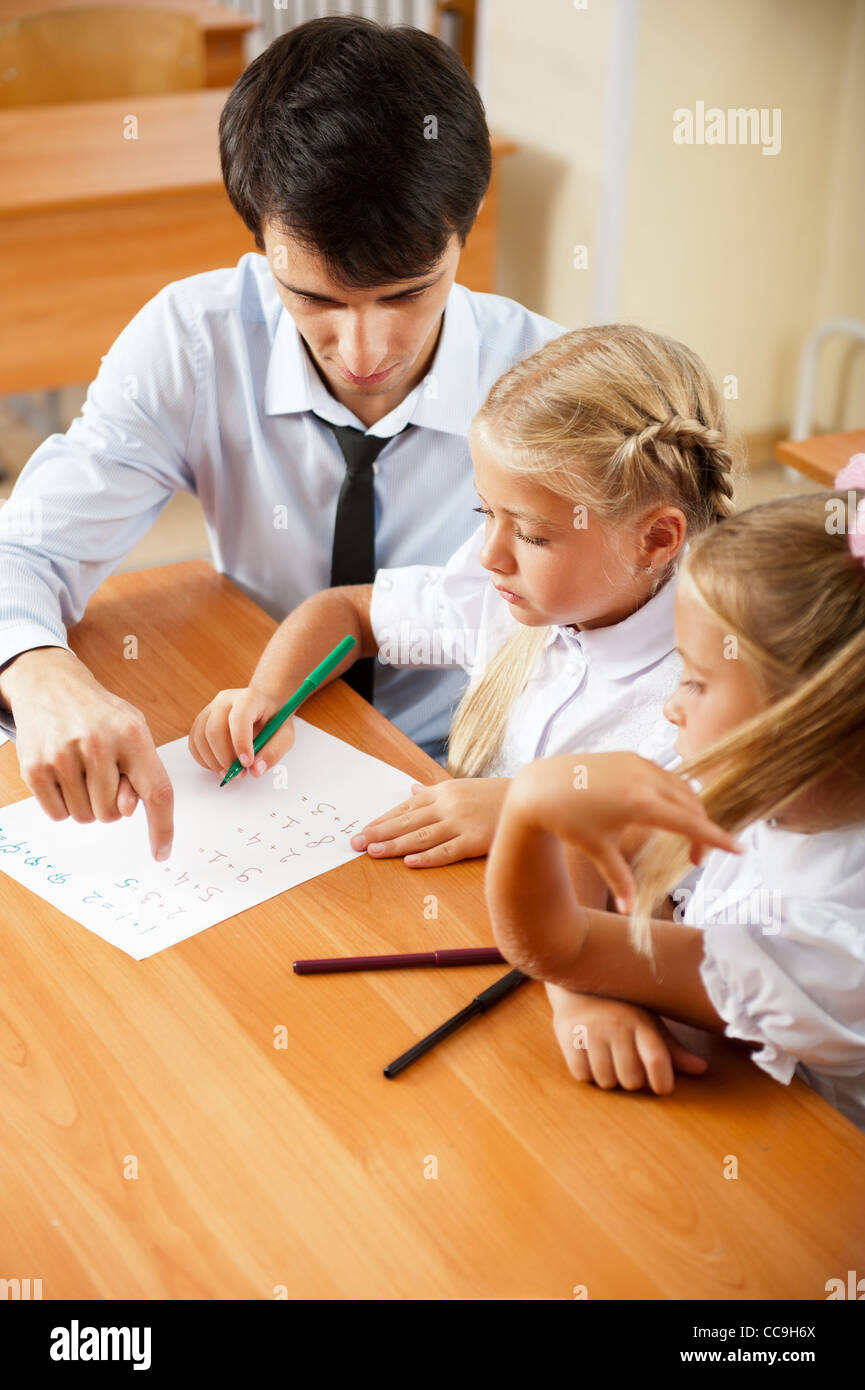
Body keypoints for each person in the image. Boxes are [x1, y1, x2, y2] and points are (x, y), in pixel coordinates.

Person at [0, 16, 565, 864]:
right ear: (260, 240)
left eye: (408, 293)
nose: (365, 353)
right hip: (251, 745)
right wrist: (40, 673)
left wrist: (530, 795)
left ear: (468, 221)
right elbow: (28, 550)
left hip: (470, 773)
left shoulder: (553, 382)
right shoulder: (195, 340)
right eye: (318, 301)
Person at [188, 323, 740, 869]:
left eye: (532, 534)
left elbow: (678, 914)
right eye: (486, 513)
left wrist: (534, 816)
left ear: (656, 539)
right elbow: (348, 613)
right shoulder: (500, 591)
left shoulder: (705, 705)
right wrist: (269, 695)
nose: (488, 555)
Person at [485, 469, 865, 1132]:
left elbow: (556, 940)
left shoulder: (834, 946)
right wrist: (584, 995)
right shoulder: (778, 797)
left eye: (694, 680)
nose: (670, 704)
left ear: (805, 717)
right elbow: (602, 851)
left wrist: (528, 811)